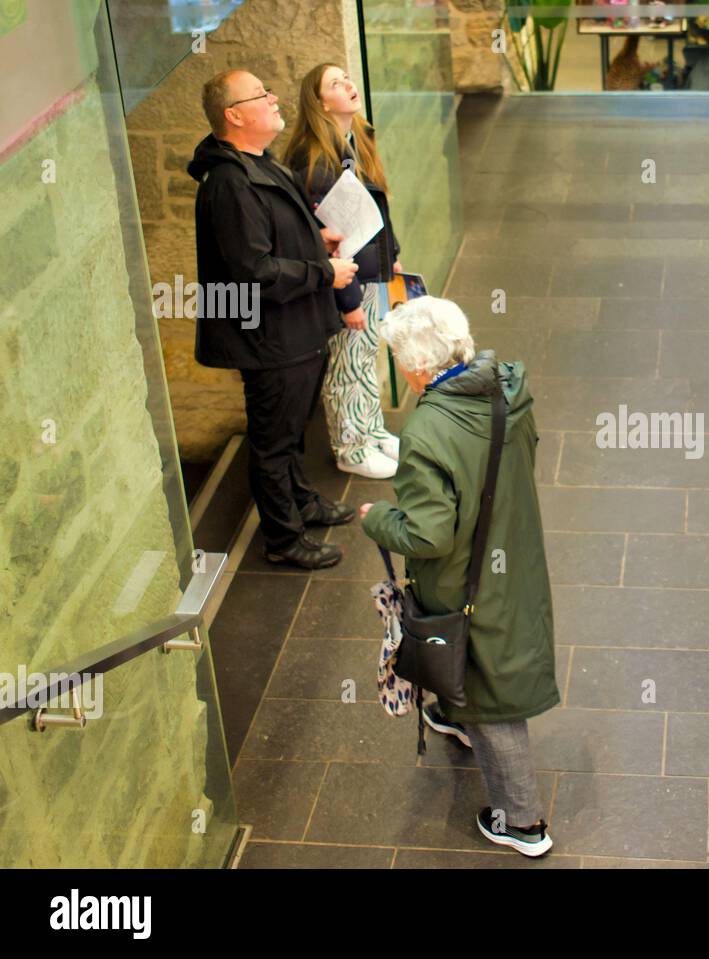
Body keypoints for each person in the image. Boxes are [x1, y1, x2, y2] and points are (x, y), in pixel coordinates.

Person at [359, 296, 559, 858]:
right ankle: (453, 713)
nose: (399, 369)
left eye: (398, 359)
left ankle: (523, 822)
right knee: (481, 665)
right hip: (511, 553)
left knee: (490, 690)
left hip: (464, 580)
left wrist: (380, 522)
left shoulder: (425, 431)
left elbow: (428, 535)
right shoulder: (508, 389)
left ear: (419, 368)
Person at [189, 70, 360, 570]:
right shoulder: (229, 182)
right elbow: (253, 271)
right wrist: (322, 270)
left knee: (292, 430)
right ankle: (284, 539)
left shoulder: (256, 163)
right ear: (234, 115)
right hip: (271, 338)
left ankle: (303, 502)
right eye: (261, 95)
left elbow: (274, 238)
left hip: (295, 329)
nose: (274, 98)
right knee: (273, 441)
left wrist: (314, 241)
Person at [285, 63, 404, 481]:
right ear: (319, 103)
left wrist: (392, 257)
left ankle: (370, 431)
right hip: (345, 282)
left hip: (368, 273)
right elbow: (329, 241)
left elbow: (374, 213)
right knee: (347, 365)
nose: (349, 85)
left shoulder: (355, 138)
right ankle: (350, 447)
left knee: (365, 356)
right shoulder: (315, 159)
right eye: (335, 84)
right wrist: (348, 302)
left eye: (347, 78)